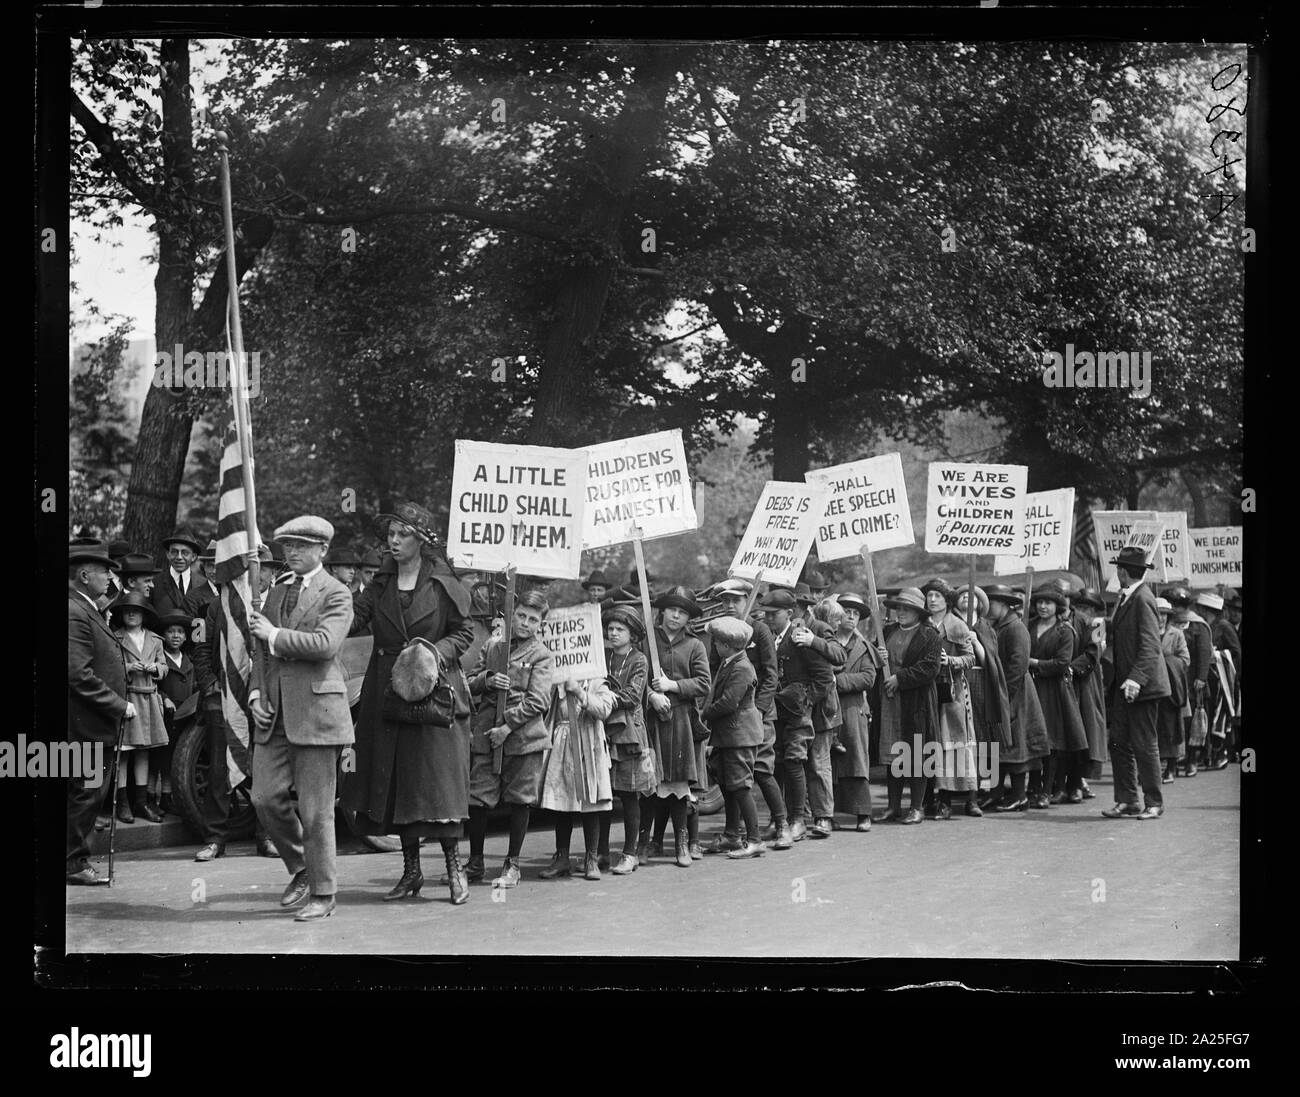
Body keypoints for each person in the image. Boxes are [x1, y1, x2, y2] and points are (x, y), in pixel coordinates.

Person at [344, 503, 476, 905]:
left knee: (438, 783)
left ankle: (454, 870)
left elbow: (464, 632)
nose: (394, 541)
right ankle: (411, 872)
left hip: (433, 692)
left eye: (403, 534)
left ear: (420, 540)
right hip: (387, 690)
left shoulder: (441, 582)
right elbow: (352, 619)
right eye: (391, 534)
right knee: (397, 783)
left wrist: (433, 653)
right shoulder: (381, 582)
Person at [247, 516, 356, 921]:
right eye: (287, 546)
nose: (291, 552)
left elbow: (325, 645)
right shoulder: (277, 593)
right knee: (264, 797)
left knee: (315, 811)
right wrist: (256, 691)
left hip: (317, 714)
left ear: (322, 550)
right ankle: (301, 868)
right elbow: (261, 652)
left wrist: (273, 635)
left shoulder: (337, 593)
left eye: (301, 546)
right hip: (273, 713)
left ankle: (324, 894)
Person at [191, 544, 277, 861]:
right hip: (224, 699)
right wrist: (212, 686)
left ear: (272, 574)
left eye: (264, 569)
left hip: (266, 701)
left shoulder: (279, 607)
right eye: (254, 569)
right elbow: (201, 651)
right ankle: (215, 839)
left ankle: (266, 835)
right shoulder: (218, 606)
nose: (258, 575)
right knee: (220, 769)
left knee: (265, 771)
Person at [467, 589, 555, 888]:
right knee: (478, 798)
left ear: (540, 624)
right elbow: (470, 683)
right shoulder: (494, 647)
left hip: (522, 738)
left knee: (520, 800)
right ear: (511, 614)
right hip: (487, 735)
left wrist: (507, 726)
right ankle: (475, 862)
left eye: (533, 619)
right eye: (521, 616)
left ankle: (512, 864)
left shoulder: (541, 655)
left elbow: (538, 701)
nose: (525, 623)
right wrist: (488, 680)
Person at [707, 579, 792, 851]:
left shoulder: (760, 630)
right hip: (729, 715)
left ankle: (782, 826)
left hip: (757, 712)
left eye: (737, 600)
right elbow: (714, 670)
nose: (730, 605)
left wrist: (759, 709)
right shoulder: (721, 633)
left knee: (762, 771)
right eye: (725, 601)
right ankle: (733, 831)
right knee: (728, 774)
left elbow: (771, 674)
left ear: (748, 600)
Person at [67, 542, 129, 885]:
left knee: (87, 793)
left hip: (93, 724)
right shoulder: (75, 611)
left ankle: (74, 859)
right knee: (85, 793)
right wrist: (120, 705)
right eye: (105, 571)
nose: (110, 577)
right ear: (84, 574)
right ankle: (74, 864)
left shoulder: (85, 607)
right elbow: (77, 674)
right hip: (85, 725)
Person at [1102, 546, 1171, 821]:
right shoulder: (1130, 596)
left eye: (1118, 568)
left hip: (1141, 685)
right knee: (1118, 742)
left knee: (1144, 744)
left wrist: (1136, 679)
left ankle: (1154, 802)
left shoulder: (1142, 598)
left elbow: (1150, 645)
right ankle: (1127, 799)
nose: (1117, 572)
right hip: (1125, 684)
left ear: (1122, 571)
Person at [644, 585, 711, 867]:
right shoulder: (648, 642)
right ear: (662, 611)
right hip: (652, 720)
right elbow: (638, 676)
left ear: (688, 619)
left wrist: (673, 686)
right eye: (672, 609)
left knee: (679, 783)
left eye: (682, 613)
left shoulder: (694, 645)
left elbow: (704, 683)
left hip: (682, 721)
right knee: (652, 782)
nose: (675, 616)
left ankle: (682, 843)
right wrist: (651, 694)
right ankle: (647, 842)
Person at [762, 588, 835, 841]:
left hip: (797, 713)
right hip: (775, 712)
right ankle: (779, 819)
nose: (770, 619)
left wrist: (805, 701)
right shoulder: (768, 637)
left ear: (790, 613)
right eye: (767, 614)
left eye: (775, 614)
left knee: (794, 762)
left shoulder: (800, 636)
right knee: (778, 764)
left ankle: (798, 820)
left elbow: (824, 677)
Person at [537, 669, 616, 881]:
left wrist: (580, 692)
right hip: (563, 744)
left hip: (588, 746)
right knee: (562, 803)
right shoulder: (558, 684)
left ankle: (591, 857)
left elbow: (604, 709)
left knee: (590, 802)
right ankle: (562, 857)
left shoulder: (597, 682)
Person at [700, 615, 766, 858]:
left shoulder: (742, 668)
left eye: (716, 642)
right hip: (729, 735)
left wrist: (703, 713)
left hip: (741, 735)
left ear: (726, 645)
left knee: (740, 787)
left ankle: (755, 840)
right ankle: (732, 835)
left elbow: (728, 703)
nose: (714, 646)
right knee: (729, 786)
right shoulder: (731, 663)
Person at [875, 587, 942, 824]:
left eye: (907, 609)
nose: (901, 612)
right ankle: (893, 806)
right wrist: (877, 657)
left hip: (916, 702)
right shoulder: (887, 632)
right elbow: (874, 661)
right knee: (893, 752)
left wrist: (900, 678)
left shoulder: (929, 635)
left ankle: (916, 807)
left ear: (918, 612)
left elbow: (930, 668)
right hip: (890, 702)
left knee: (916, 753)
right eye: (899, 608)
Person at [984, 585, 1049, 812]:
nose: (986, 607)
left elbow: (1018, 665)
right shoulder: (997, 626)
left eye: (990, 602)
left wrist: (1005, 694)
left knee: (1016, 744)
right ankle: (996, 791)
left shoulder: (1016, 628)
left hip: (1015, 693)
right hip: (1001, 691)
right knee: (998, 744)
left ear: (1002, 604)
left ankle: (1019, 795)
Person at [598, 605, 653, 873]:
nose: (614, 633)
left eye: (620, 629)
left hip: (629, 733)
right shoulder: (603, 656)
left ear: (632, 634)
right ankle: (601, 853)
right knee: (604, 794)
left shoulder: (639, 659)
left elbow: (632, 696)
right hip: (603, 730)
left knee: (630, 794)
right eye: (611, 629)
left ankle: (630, 853)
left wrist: (605, 696)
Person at [920, 578, 980, 819]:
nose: (932, 600)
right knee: (932, 744)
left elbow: (970, 658)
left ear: (947, 601)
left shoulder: (958, 626)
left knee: (956, 743)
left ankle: (963, 798)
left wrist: (951, 661)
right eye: (929, 596)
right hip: (927, 691)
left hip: (953, 692)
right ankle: (933, 799)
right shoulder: (921, 624)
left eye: (937, 596)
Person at [108, 591, 169, 824]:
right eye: (127, 610)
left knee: (144, 751)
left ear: (144, 615)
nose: (131, 614)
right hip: (128, 700)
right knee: (123, 753)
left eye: (136, 610)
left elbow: (164, 667)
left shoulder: (155, 640)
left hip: (149, 700)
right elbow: (110, 667)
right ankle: (123, 804)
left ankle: (141, 803)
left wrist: (154, 668)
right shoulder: (116, 638)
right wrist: (128, 667)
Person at [1026, 585, 1089, 806]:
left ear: (1057, 606)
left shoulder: (1065, 631)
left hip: (1054, 690)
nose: (1043, 606)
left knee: (1051, 741)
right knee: (1032, 738)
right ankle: (1032, 788)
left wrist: (1033, 663)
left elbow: (1062, 664)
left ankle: (1047, 790)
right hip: (1031, 688)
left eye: (1048, 603)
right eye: (1040, 602)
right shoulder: (1029, 625)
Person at [955, 585, 1011, 806]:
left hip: (978, 680)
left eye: (972, 597)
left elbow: (990, 660)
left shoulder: (985, 627)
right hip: (956, 678)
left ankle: (980, 784)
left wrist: (976, 642)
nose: (967, 599)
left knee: (980, 734)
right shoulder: (952, 622)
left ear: (980, 603)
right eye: (962, 596)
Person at [831, 592, 879, 830]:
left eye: (855, 614)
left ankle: (863, 814)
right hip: (828, 710)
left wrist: (837, 681)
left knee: (857, 760)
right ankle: (828, 814)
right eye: (846, 612)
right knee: (829, 761)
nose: (850, 617)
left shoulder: (864, 647)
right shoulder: (827, 642)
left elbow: (869, 678)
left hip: (853, 709)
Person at [803, 597, 848, 836]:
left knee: (819, 763)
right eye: (836, 619)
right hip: (806, 706)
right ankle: (807, 813)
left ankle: (824, 816)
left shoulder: (818, 629)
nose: (839, 624)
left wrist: (814, 641)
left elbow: (839, 656)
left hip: (822, 708)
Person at [155, 609, 196, 818]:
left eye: (180, 632)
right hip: (166, 714)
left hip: (185, 716)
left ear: (186, 636)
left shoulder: (189, 661)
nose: (176, 636)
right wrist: (164, 698)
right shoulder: (161, 659)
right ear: (164, 635)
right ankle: (159, 795)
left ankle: (169, 795)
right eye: (171, 631)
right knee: (163, 756)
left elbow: (195, 687)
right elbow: (155, 686)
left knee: (177, 756)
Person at [1166, 586, 1211, 776]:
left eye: (1180, 605)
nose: (1176, 609)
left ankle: (1192, 760)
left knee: (1192, 722)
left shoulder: (1197, 625)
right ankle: (1176, 760)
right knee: (1177, 722)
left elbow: (1204, 653)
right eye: (1174, 605)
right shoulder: (1168, 626)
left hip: (1192, 682)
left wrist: (1201, 677)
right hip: (1174, 682)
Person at [1069, 587, 1108, 797]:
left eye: (1088, 608)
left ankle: (1079, 779)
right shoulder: (1069, 622)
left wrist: (1071, 668)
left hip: (1086, 679)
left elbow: (1094, 652)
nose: (1084, 611)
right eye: (1080, 606)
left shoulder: (1098, 625)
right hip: (1069, 676)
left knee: (1087, 725)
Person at [1196, 591, 1240, 769]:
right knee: (1211, 714)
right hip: (1211, 680)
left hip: (1223, 681)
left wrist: (1217, 655)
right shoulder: (1207, 625)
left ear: (1206, 609)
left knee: (1220, 717)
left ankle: (1221, 753)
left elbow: (1236, 652)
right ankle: (1210, 754)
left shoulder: (1223, 626)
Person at [1155, 596, 1191, 783]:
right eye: (1157, 614)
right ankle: (1154, 768)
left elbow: (1185, 659)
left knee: (1172, 726)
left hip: (1171, 688)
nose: (1161, 618)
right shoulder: (1147, 632)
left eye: (1164, 615)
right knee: (1154, 726)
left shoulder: (1176, 634)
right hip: (1153, 686)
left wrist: (1166, 661)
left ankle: (1171, 767)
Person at [151, 526, 203, 617]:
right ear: (168, 554)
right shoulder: (154, 583)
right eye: (174, 552)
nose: (179, 557)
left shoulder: (203, 584)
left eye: (185, 553)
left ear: (193, 557)